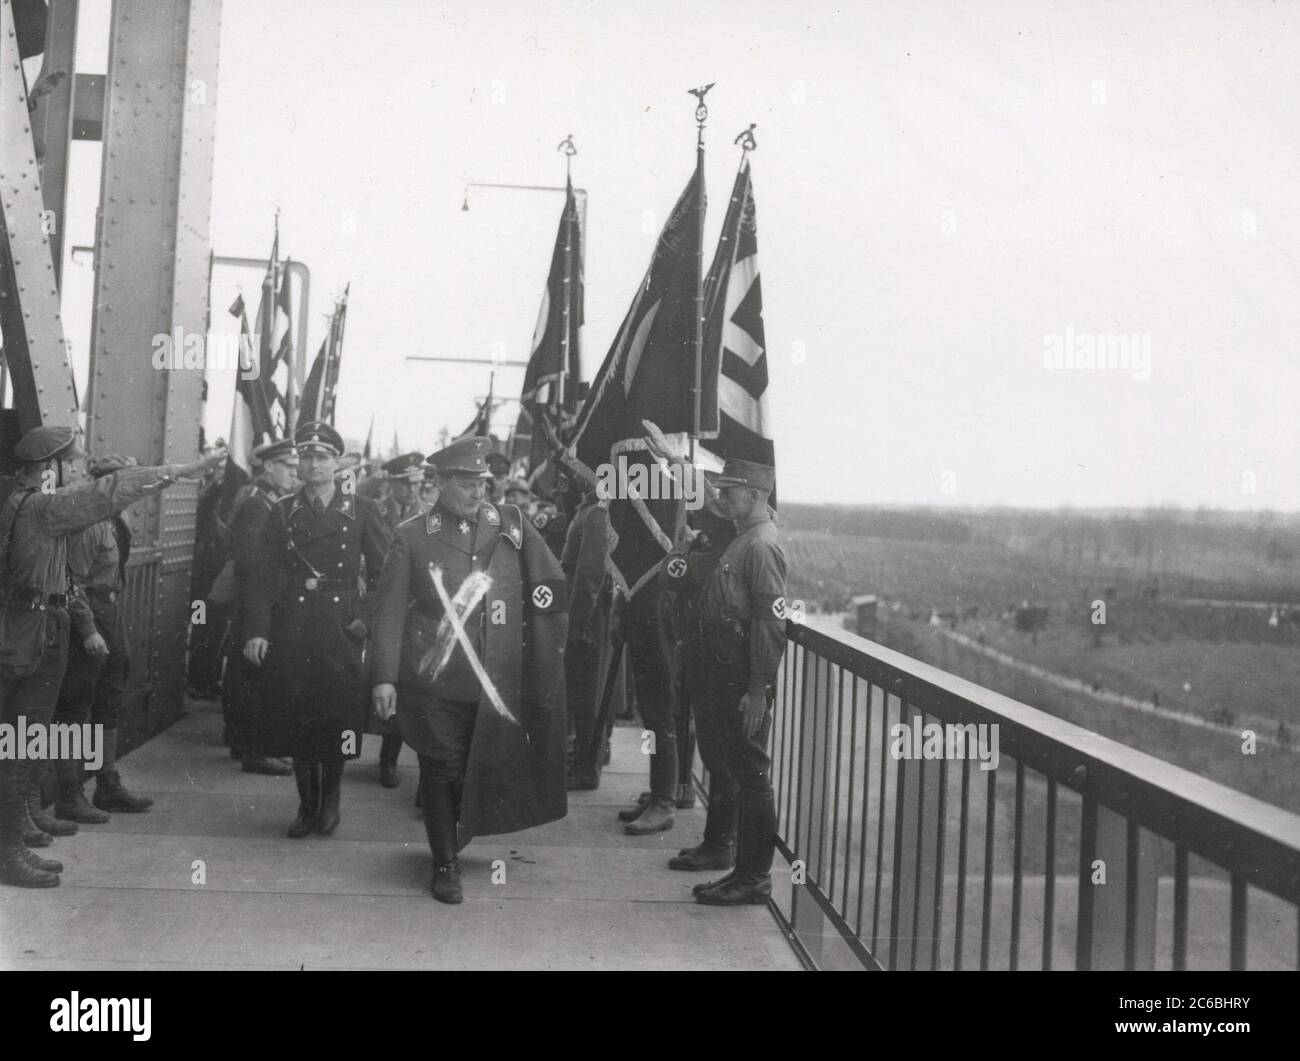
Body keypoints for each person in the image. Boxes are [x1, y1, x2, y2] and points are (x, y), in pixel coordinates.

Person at [0, 426, 224, 888]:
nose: (79, 470)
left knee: (24, 739)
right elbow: (107, 492)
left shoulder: (27, 504)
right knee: (22, 742)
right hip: (36, 633)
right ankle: (7, 851)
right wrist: (175, 472)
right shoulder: (43, 507)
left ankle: (14, 836)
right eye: (73, 463)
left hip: (37, 627)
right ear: (51, 468)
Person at [369, 436, 568, 903]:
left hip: (494, 675)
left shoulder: (509, 526)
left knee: (471, 768)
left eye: (482, 483)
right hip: (433, 675)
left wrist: (542, 651)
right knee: (440, 765)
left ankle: (456, 832)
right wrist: (383, 676)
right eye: (465, 484)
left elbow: (549, 587)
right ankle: (445, 864)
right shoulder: (412, 534)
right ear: (440, 483)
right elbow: (390, 609)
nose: (478, 493)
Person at [240, 420, 390, 838]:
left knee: (338, 714)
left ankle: (332, 800)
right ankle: (307, 805)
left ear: (337, 463)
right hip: (295, 626)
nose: (313, 463)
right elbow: (261, 575)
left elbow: (385, 575)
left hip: (341, 627)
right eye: (306, 456)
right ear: (299, 463)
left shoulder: (362, 509)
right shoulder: (282, 511)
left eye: (322, 456)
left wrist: (366, 618)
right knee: (298, 715)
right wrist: (257, 630)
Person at [48, 455, 154, 825]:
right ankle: (69, 793)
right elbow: (72, 581)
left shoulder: (116, 519)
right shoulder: (90, 525)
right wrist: (89, 629)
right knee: (75, 707)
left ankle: (105, 781)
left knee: (108, 700)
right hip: (89, 617)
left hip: (111, 611)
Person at [658, 491, 739, 873]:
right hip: (712, 663)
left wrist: (680, 548)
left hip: (715, 665)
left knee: (720, 760)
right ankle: (716, 840)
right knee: (718, 758)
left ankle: (720, 844)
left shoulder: (712, 554)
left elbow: (671, 575)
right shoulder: (725, 547)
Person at [221, 438, 298, 776]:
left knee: (248, 671)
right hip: (256, 599)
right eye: (289, 467)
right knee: (254, 673)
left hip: (258, 598)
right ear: (269, 467)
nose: (295, 475)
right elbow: (252, 562)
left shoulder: (268, 500)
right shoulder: (258, 503)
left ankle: (244, 742)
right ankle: (254, 750)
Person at [372, 452, 428, 786]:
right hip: (385, 606)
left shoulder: (431, 514)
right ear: (390, 483)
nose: (411, 489)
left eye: (416, 483)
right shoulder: (375, 512)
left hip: (419, 612)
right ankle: (387, 758)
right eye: (404, 482)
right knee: (385, 681)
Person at [560, 481, 618, 790]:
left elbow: (590, 573)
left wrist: (577, 622)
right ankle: (588, 758)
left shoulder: (596, 511)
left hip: (589, 613)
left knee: (587, 695)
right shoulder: (592, 506)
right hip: (590, 610)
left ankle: (586, 768)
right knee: (587, 691)